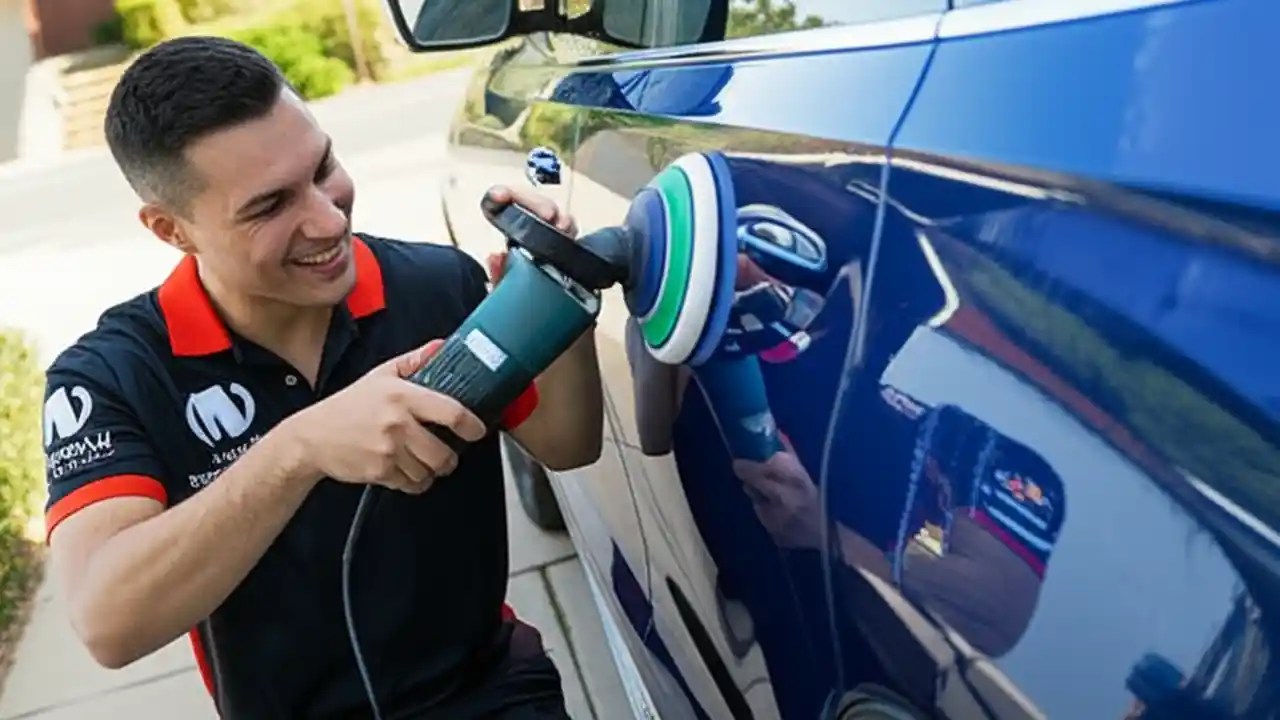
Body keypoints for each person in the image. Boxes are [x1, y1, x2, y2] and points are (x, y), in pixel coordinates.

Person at [40, 36, 604, 719]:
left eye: (324, 167)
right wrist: (297, 449)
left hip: (490, 692)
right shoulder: (111, 375)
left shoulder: (436, 286)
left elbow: (569, 446)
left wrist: (557, 297)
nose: (329, 217)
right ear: (171, 229)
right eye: (270, 206)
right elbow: (110, 623)